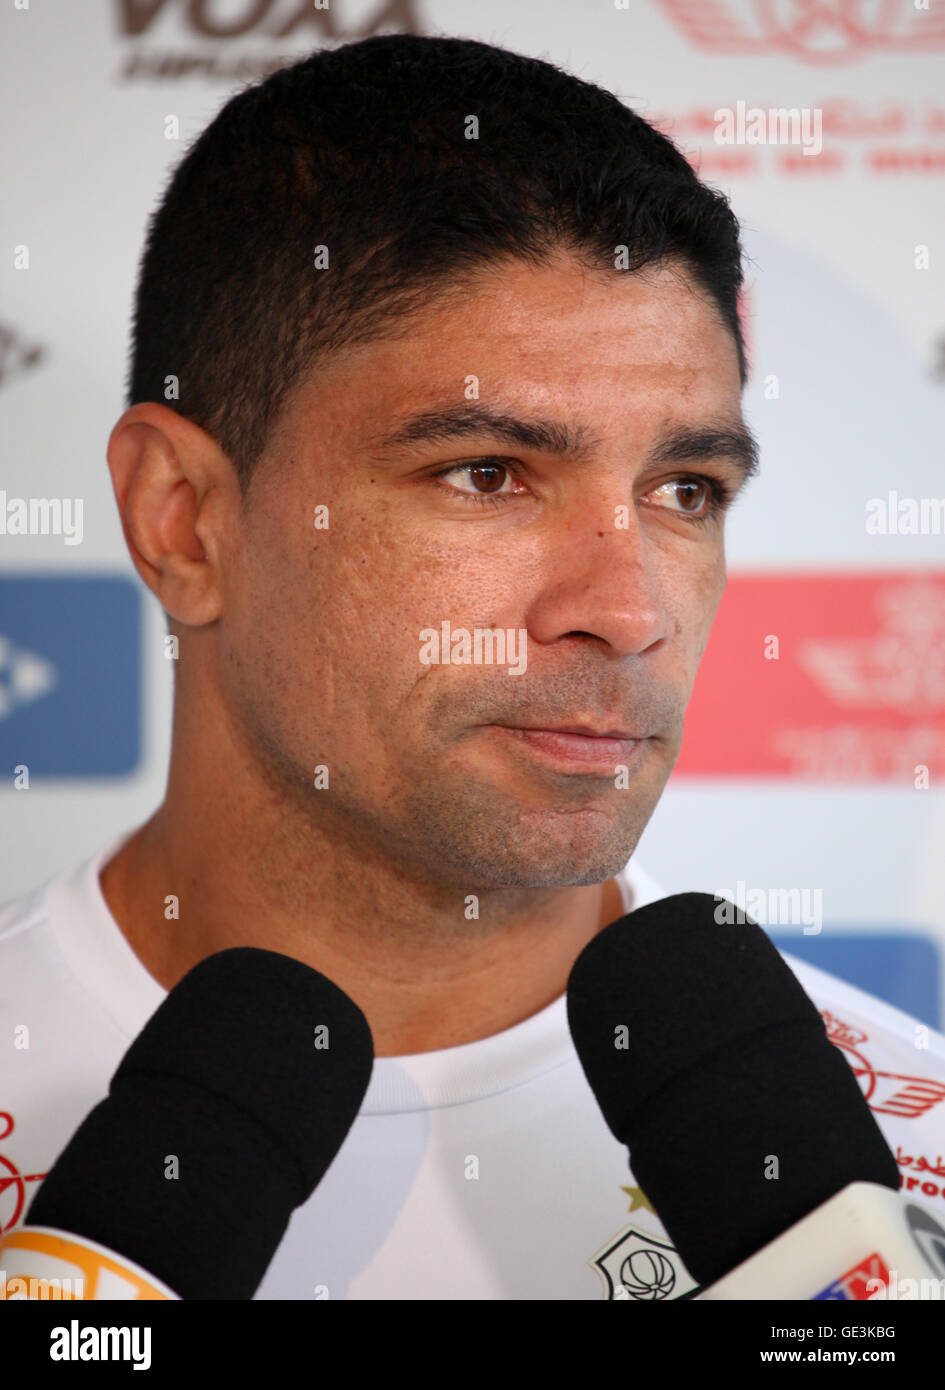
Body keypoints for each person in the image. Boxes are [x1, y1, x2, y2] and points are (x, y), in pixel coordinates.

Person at [2, 33, 944, 1300]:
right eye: (487, 473)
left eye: (684, 488)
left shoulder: (900, 1184)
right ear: (184, 519)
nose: (627, 610)